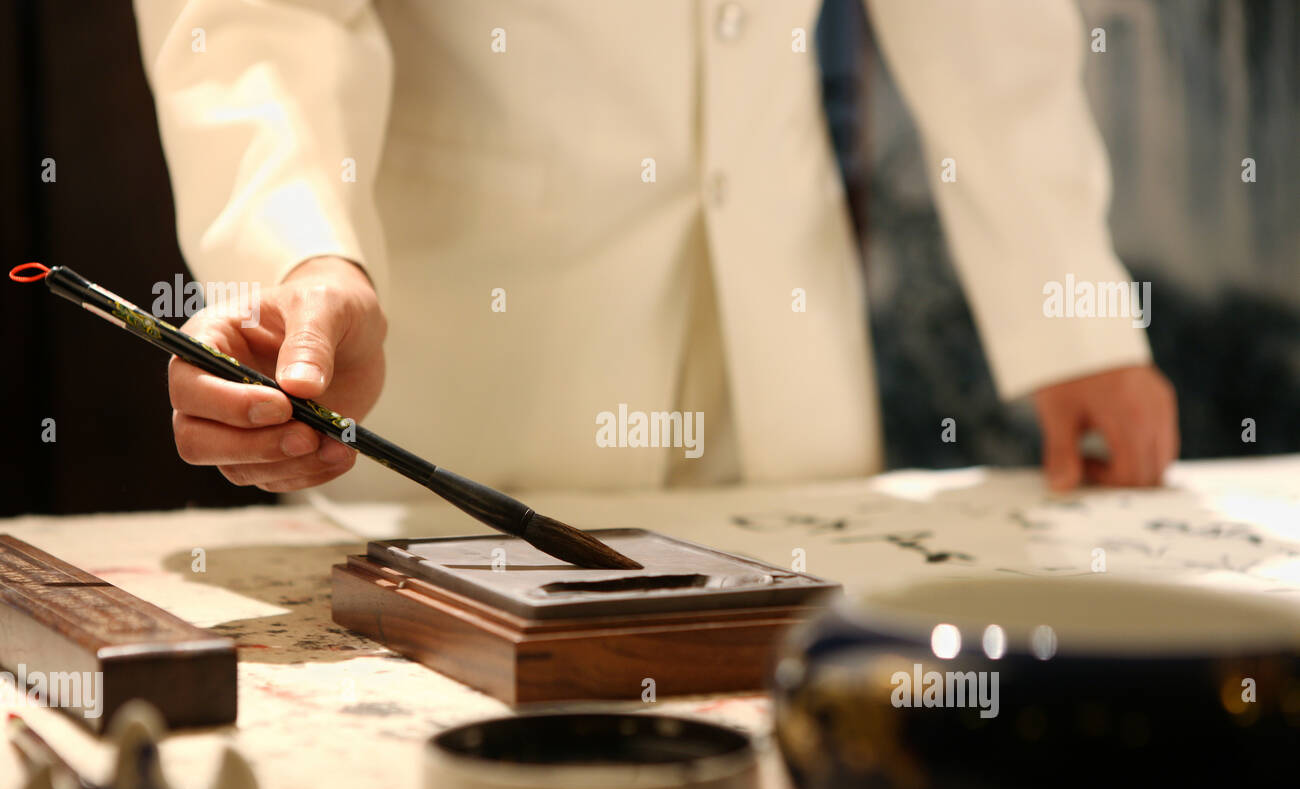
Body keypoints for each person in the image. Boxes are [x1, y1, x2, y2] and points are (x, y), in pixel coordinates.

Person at [134, 0, 1178, 500]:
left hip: (787, 389)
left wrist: (1066, 302)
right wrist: (303, 254)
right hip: (466, 405)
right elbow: (254, 15)